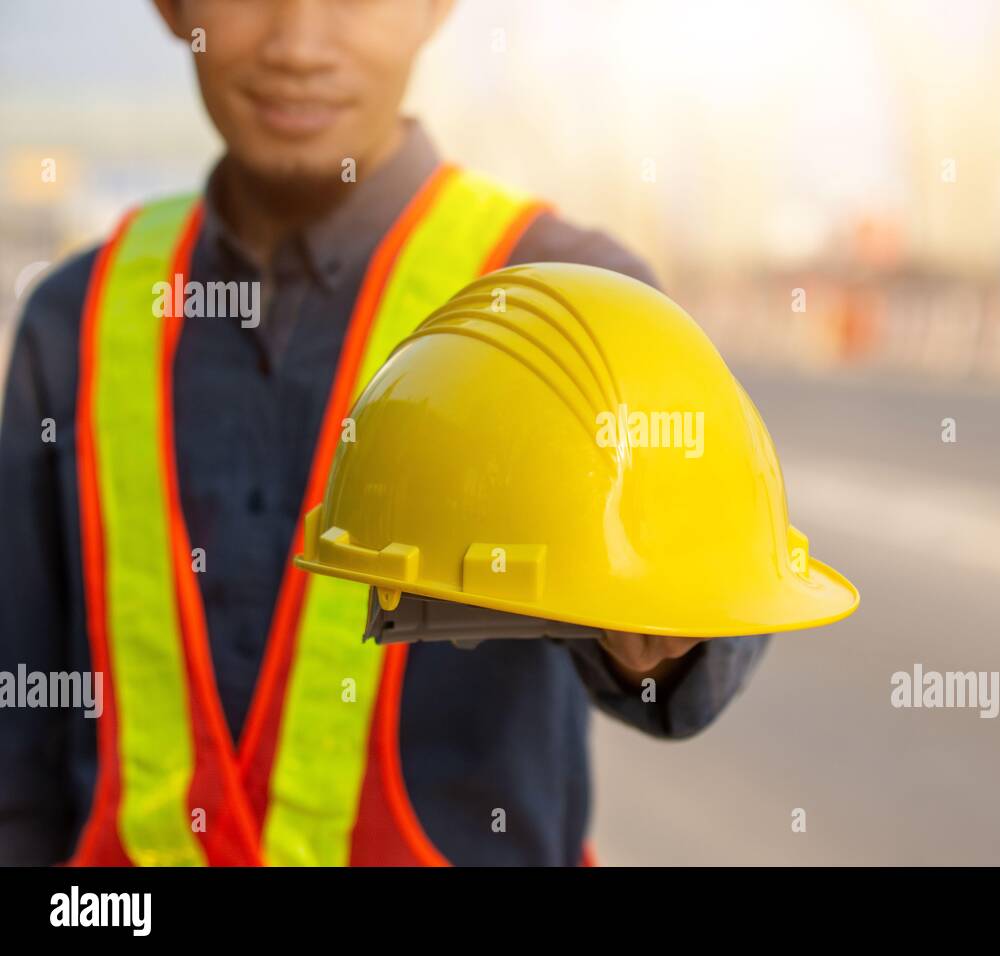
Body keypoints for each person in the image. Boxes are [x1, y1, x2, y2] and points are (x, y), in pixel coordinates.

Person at [0, 0, 768, 866]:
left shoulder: (572, 302)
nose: (298, 45)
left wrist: (662, 641)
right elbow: (17, 756)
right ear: (174, 10)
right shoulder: (77, 320)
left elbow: (692, 658)